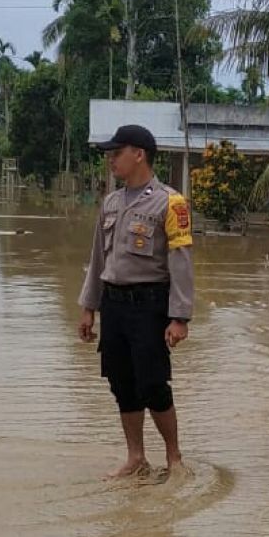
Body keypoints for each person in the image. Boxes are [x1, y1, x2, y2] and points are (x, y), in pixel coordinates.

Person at [78, 125, 194, 478]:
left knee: (153, 383)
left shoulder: (170, 203)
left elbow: (181, 262)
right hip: (113, 305)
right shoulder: (111, 203)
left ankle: (173, 458)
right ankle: (136, 458)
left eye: (118, 152)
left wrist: (180, 317)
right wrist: (88, 308)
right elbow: (98, 258)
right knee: (122, 383)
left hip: (149, 305)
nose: (111, 159)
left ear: (139, 154)